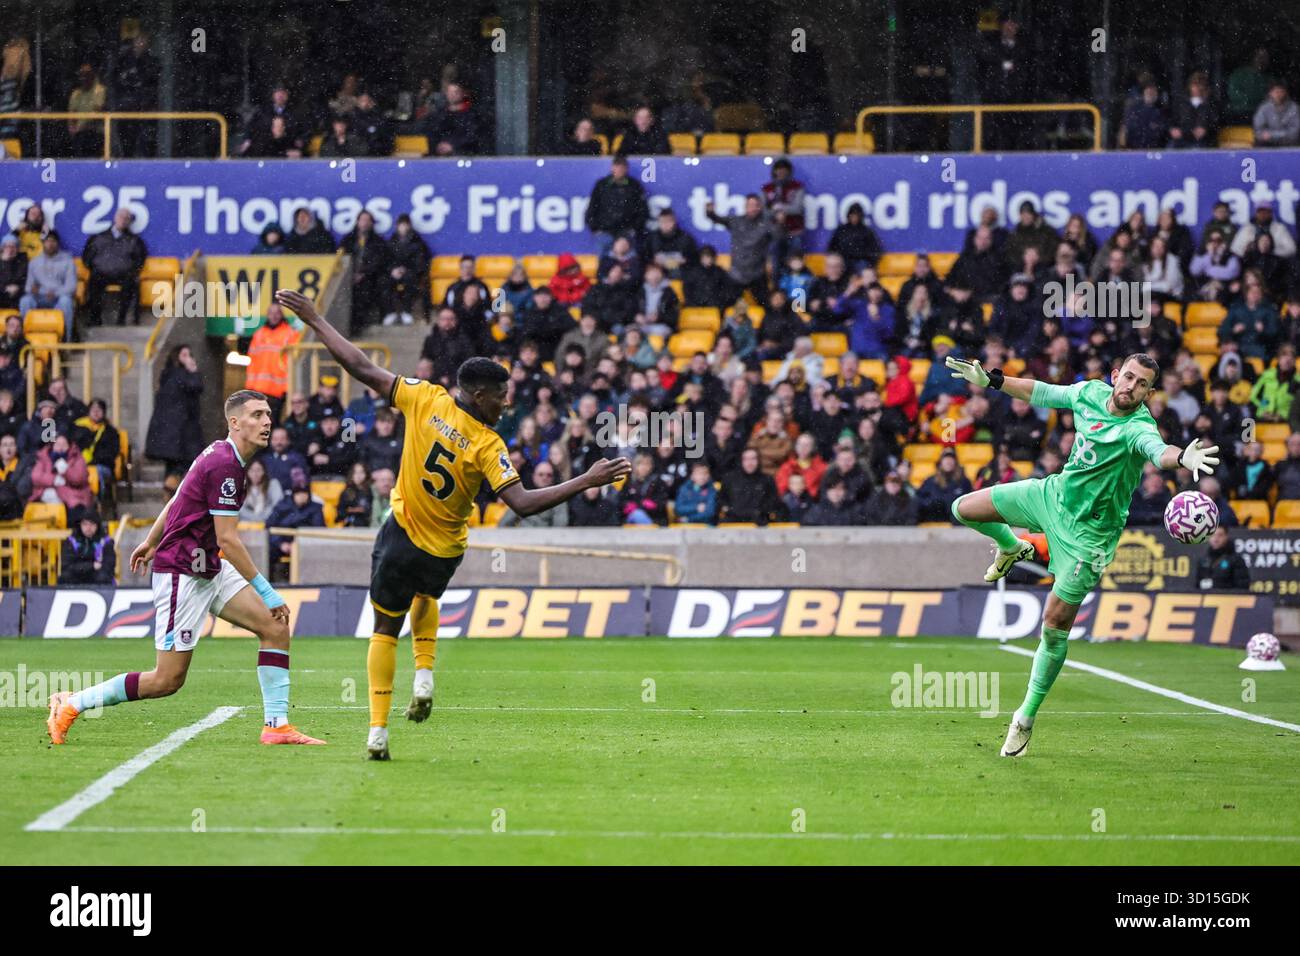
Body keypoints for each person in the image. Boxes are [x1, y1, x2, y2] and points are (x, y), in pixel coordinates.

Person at [274, 288, 631, 760]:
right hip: (444, 552)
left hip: (399, 534)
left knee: (383, 629)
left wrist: (317, 320)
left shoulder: (426, 398)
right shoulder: (489, 445)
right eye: (501, 397)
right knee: (427, 596)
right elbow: (522, 503)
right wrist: (585, 480)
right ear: (480, 395)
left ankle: (377, 731)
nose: (505, 405)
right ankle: (424, 673)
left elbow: (360, 366)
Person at [946, 352, 1220, 756]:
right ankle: (1012, 546)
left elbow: (1156, 450)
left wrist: (1181, 457)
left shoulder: (1137, 426)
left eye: (1142, 384)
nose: (1131, 386)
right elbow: (1041, 392)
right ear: (1115, 376)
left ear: (1148, 392)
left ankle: (1025, 717)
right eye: (1128, 377)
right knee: (962, 508)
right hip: (1052, 497)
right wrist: (993, 381)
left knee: (1053, 624)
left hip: (1090, 537)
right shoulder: (1089, 393)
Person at [47, 390, 325, 747]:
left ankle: (276, 726)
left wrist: (150, 539)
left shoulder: (224, 456)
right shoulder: (225, 463)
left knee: (275, 630)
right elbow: (227, 538)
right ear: (234, 422)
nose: (267, 421)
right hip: (182, 572)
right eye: (256, 415)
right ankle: (70, 703)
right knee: (166, 681)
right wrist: (268, 592)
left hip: (207, 565)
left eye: (268, 414)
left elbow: (179, 496)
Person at [705, 194, 775, 306]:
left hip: (757, 275)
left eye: (755, 205)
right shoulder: (736, 221)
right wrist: (710, 213)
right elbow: (717, 219)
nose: (752, 208)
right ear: (745, 207)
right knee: (725, 306)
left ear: (760, 207)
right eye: (749, 205)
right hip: (737, 274)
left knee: (767, 307)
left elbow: (780, 236)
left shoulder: (766, 224)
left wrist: (778, 220)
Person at [81, 209, 147, 326]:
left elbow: (140, 259)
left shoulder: (134, 240)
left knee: (131, 283)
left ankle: (121, 319)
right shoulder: (99, 237)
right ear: (115, 217)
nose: (123, 220)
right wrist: (96, 267)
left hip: (124, 274)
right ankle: (95, 319)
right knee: (93, 282)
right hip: (101, 273)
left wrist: (130, 270)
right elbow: (87, 256)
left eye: (127, 218)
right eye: (121, 216)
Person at [585, 156, 649, 255]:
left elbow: (643, 210)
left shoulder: (634, 186)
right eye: (617, 167)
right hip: (605, 230)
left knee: (630, 259)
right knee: (603, 260)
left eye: (622, 168)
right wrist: (595, 228)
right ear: (612, 168)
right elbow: (592, 207)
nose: (619, 170)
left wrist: (634, 229)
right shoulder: (602, 185)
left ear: (626, 169)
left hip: (626, 231)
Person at [19, 229, 77, 339]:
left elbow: (71, 286)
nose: (50, 244)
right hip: (39, 298)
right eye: (47, 241)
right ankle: (24, 340)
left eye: (53, 241)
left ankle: (66, 340)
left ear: (57, 243)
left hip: (58, 298)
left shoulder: (67, 261)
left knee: (66, 301)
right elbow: (28, 286)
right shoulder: (34, 262)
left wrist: (56, 293)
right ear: (43, 243)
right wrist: (33, 289)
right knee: (25, 300)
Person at [58, 507, 116, 585]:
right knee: (65, 577)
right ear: (80, 525)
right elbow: (66, 566)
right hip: (77, 577)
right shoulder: (71, 541)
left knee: (103, 577)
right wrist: (91, 566)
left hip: (97, 578)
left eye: (92, 524)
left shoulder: (106, 542)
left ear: (97, 525)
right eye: (85, 524)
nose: (88, 528)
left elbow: (109, 567)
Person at [1253, 81, 1300, 147]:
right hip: (1269, 142)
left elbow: (1295, 132)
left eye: (1281, 92)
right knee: (1259, 142)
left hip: (1288, 142)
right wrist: (1265, 135)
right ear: (1270, 93)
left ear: (1285, 92)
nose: (1278, 95)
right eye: (1276, 92)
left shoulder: (1294, 108)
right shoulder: (1264, 108)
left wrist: (1273, 135)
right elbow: (1258, 130)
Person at [240, 457, 283, 524]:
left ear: (264, 471)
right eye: (252, 470)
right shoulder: (242, 487)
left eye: (258, 470)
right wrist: (254, 519)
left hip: (268, 524)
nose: (255, 474)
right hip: (246, 525)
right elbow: (240, 509)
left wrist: (261, 519)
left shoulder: (273, 484)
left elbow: (277, 505)